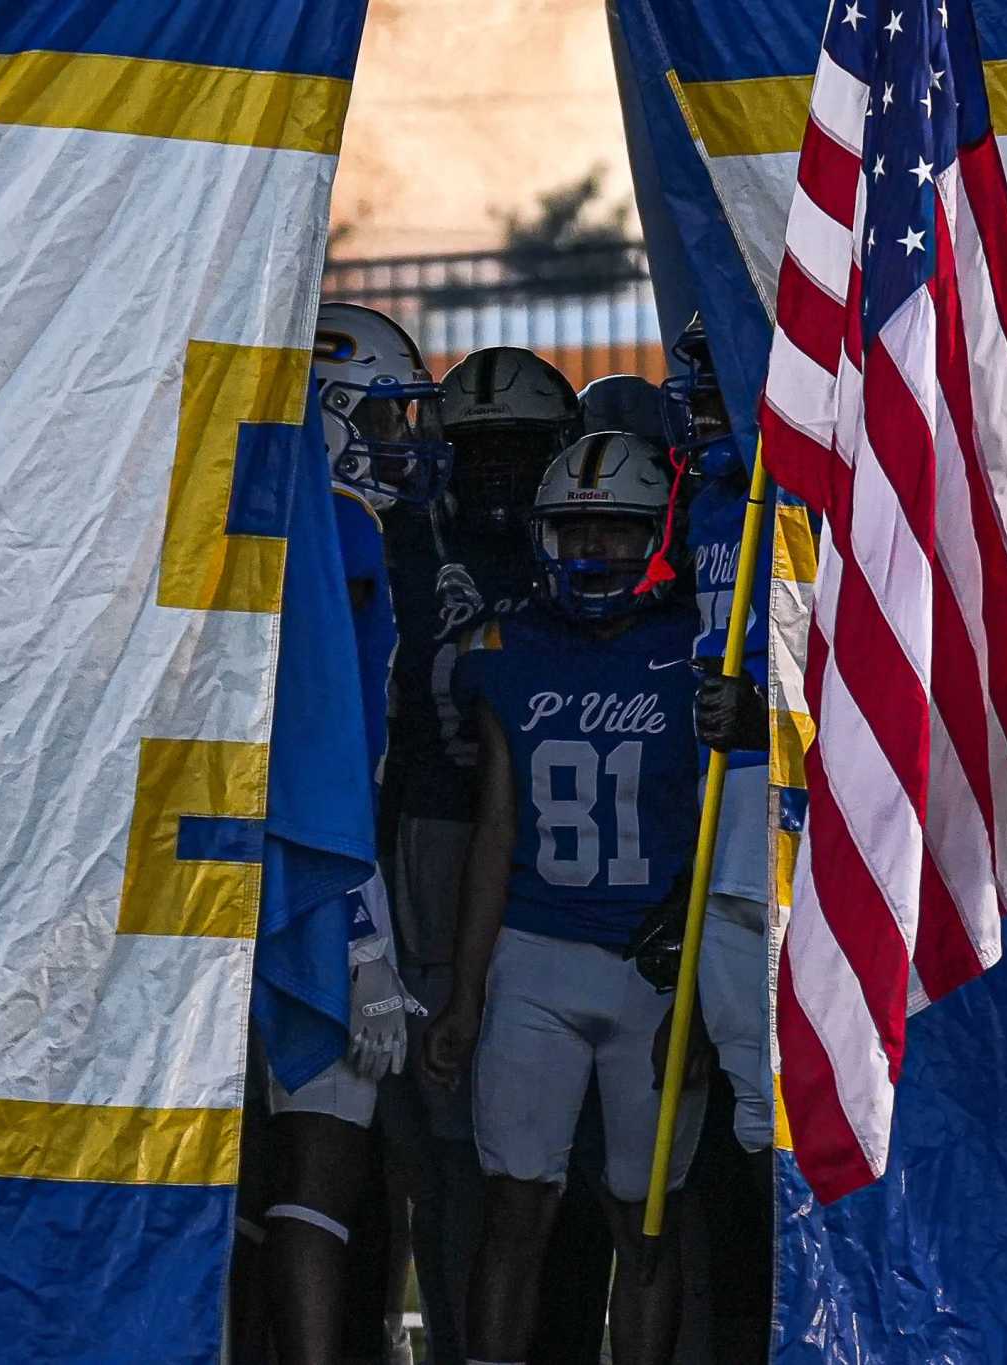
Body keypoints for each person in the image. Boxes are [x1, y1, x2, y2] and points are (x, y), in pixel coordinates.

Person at [423, 430, 710, 1365]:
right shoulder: (507, 648)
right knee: (515, 1206)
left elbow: (726, 831)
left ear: (659, 536)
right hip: (535, 953)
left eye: (619, 532)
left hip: (655, 965)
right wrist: (465, 995)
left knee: (646, 1219)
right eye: (575, 529)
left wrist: (705, 990)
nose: (593, 553)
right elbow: (496, 833)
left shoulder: (693, 648)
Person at [241, 301, 447, 1365]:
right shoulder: (346, 534)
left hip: (213, 880)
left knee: (226, 1180)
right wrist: (365, 946)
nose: (398, 444)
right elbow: (334, 755)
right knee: (321, 1171)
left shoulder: (249, 510)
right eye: (381, 415)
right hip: (315, 882)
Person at [379, 345, 582, 1365]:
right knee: (448, 1135)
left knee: (556, 1146)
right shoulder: (404, 542)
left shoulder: (596, 546)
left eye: (521, 451)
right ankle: (465, 1343)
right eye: (479, 451)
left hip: (561, 854)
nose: (499, 473)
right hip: (441, 831)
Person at [673, 319, 777, 1364]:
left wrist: (774, 726)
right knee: (745, 1094)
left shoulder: (807, 495)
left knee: (797, 1093)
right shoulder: (706, 498)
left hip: (791, 824)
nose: (695, 396)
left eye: (714, 374)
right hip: (720, 828)